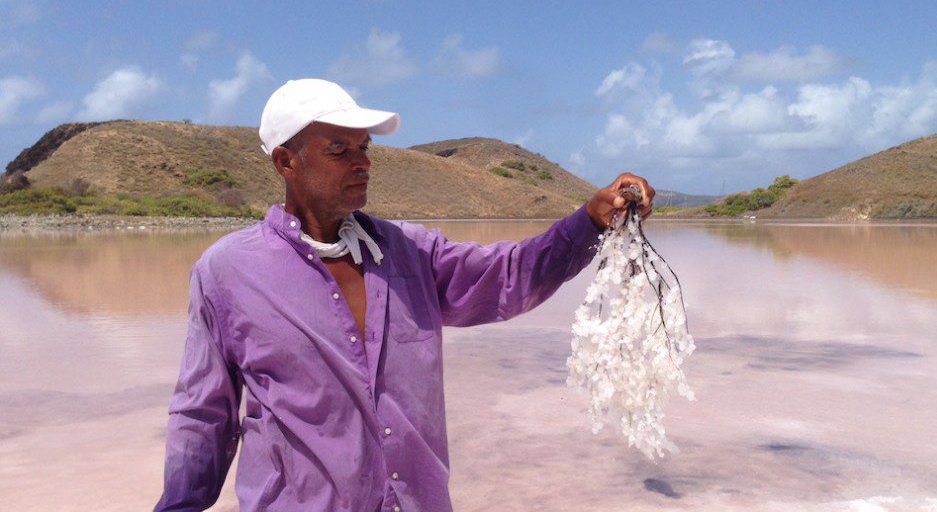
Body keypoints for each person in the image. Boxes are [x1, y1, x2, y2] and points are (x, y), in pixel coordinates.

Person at [154, 78, 655, 511]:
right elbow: (204, 413)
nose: (362, 163)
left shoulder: (409, 254)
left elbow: (511, 276)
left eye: (365, 148)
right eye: (339, 150)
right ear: (286, 161)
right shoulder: (228, 272)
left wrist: (590, 220)